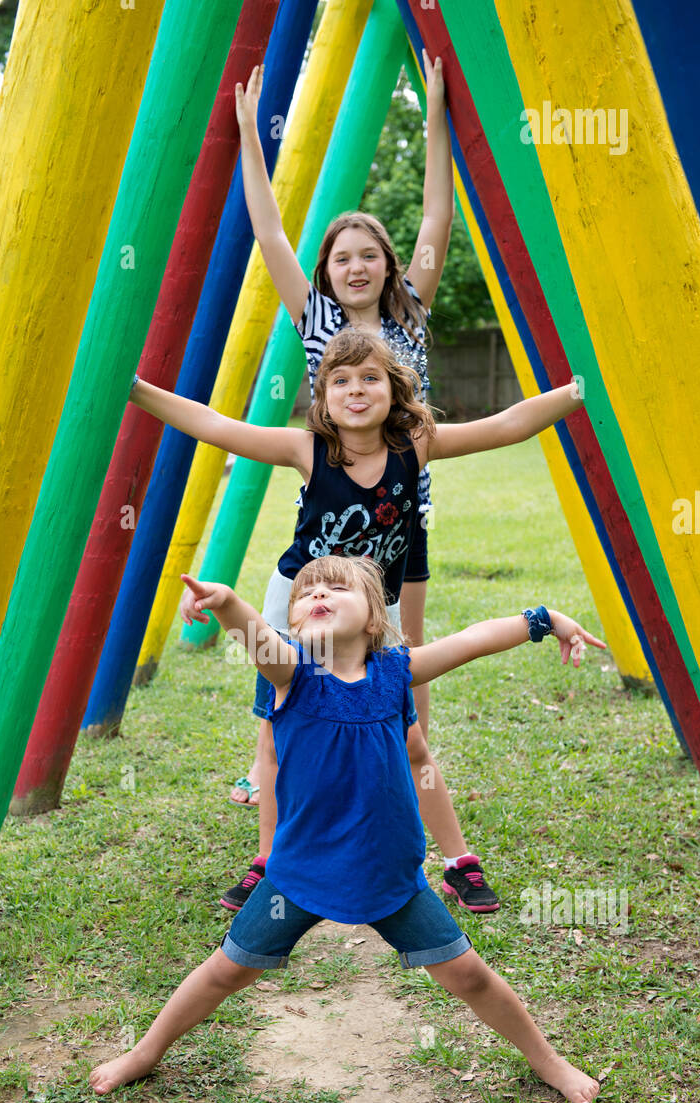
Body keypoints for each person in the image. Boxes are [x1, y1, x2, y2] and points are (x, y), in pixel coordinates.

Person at [89, 553, 604, 1103]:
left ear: (375, 617)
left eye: (336, 588)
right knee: (224, 972)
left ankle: (547, 1060)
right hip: (298, 879)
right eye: (306, 594)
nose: (318, 596)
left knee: (470, 977)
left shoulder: (396, 672)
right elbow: (256, 636)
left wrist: (545, 619)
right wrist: (228, 603)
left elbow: (474, 639)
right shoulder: (292, 676)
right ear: (293, 626)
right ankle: (144, 1053)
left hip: (390, 879)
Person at [126, 328, 584, 925]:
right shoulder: (307, 451)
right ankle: (270, 864)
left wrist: (576, 392)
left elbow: (509, 424)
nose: (356, 389)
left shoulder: (414, 446)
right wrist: (136, 390)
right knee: (275, 734)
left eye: (370, 377)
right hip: (303, 604)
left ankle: (456, 860)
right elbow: (216, 426)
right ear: (323, 397)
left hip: (372, 610)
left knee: (410, 735)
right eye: (340, 380)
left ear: (394, 390)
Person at [227, 53, 500, 916]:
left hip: (398, 540)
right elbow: (269, 232)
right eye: (341, 256)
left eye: (367, 256)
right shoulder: (310, 317)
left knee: (404, 691)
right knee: (285, 701)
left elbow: (434, 218)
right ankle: (272, 855)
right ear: (328, 269)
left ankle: (443, 849)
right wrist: (248, 135)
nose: (355, 266)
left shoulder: (412, 313)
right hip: (325, 550)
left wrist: (435, 120)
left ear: (388, 268)